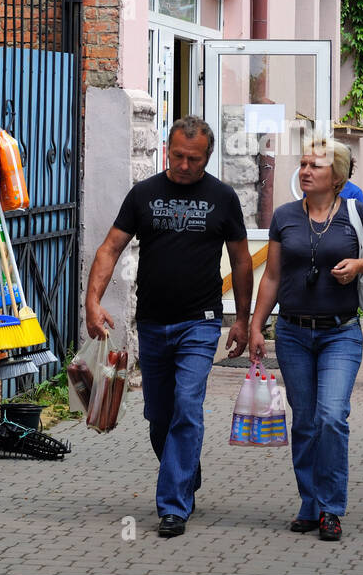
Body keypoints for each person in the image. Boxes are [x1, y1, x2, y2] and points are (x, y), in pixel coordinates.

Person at [85, 117, 254, 539]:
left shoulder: (222, 197)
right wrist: (92, 302)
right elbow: (110, 248)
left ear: (207, 158)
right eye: (176, 155)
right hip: (153, 323)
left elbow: (241, 260)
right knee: (158, 415)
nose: (182, 165)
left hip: (200, 322)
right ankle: (185, 472)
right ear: (166, 149)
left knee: (187, 407)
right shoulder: (144, 194)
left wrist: (244, 319)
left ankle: (173, 505)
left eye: (192, 159)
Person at [248, 136, 363, 542]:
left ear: (335, 177)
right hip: (293, 332)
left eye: (314, 166)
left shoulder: (356, 212)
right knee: (305, 421)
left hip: (340, 332)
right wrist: (255, 325)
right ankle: (309, 503)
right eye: (301, 165)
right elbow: (274, 276)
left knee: (331, 417)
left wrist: (359, 264)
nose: (304, 171)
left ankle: (331, 507)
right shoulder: (284, 216)